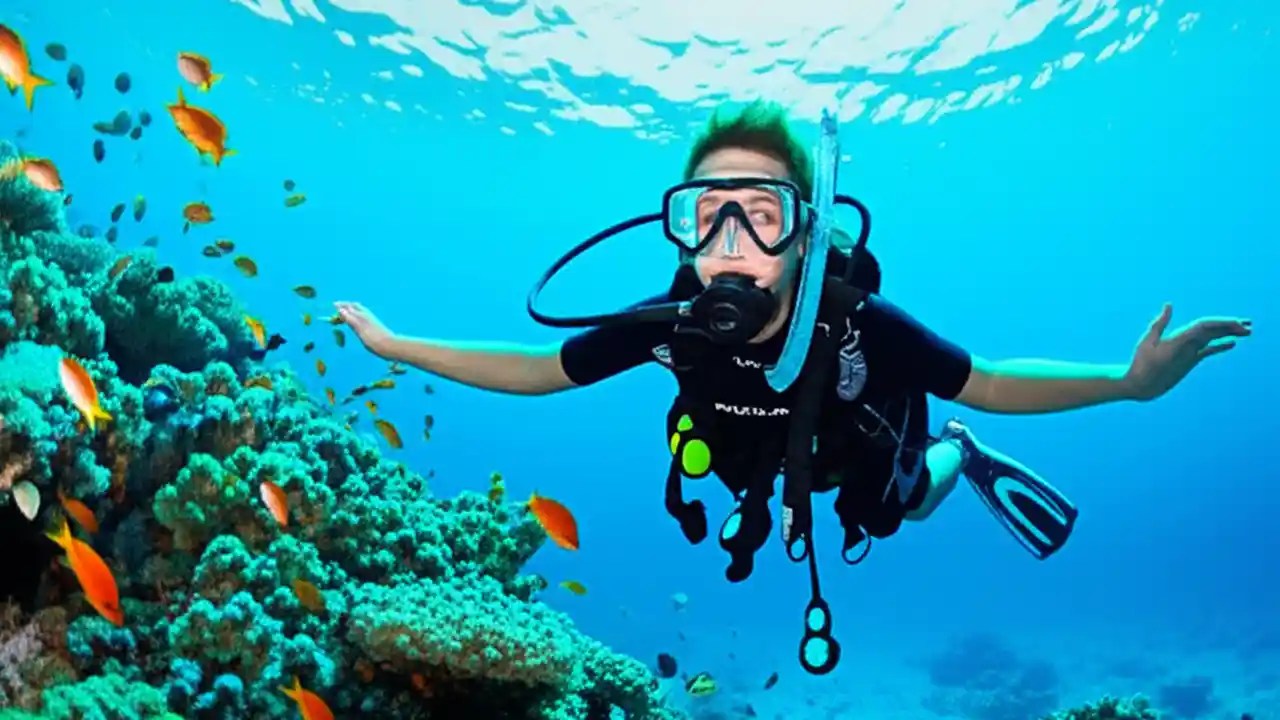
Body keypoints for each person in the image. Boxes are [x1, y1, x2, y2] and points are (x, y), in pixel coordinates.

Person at [336, 100, 1251, 674]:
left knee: (901, 509)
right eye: (708, 214)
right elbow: (538, 369)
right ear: (681, 230)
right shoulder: (672, 326)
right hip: (759, 469)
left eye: (761, 213)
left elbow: (991, 378)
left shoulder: (859, 322)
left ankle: (953, 462)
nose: (731, 241)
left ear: (805, 237)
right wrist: (398, 347)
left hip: (863, 464)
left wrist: (1128, 384)